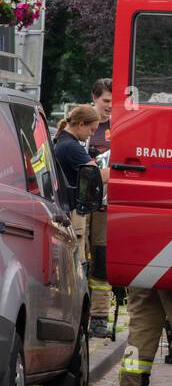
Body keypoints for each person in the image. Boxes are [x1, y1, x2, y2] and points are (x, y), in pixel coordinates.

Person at [53, 106, 108, 267]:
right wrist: (118, 170)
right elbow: (95, 176)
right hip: (73, 210)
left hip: (67, 207)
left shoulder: (63, 140)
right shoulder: (71, 147)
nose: (92, 134)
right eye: (91, 129)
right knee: (78, 262)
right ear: (81, 124)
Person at [86, 78, 113, 338]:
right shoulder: (82, 123)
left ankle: (100, 317)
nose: (110, 107)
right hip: (84, 205)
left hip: (107, 206)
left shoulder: (119, 125)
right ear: (94, 98)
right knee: (83, 261)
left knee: (102, 260)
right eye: (106, 101)